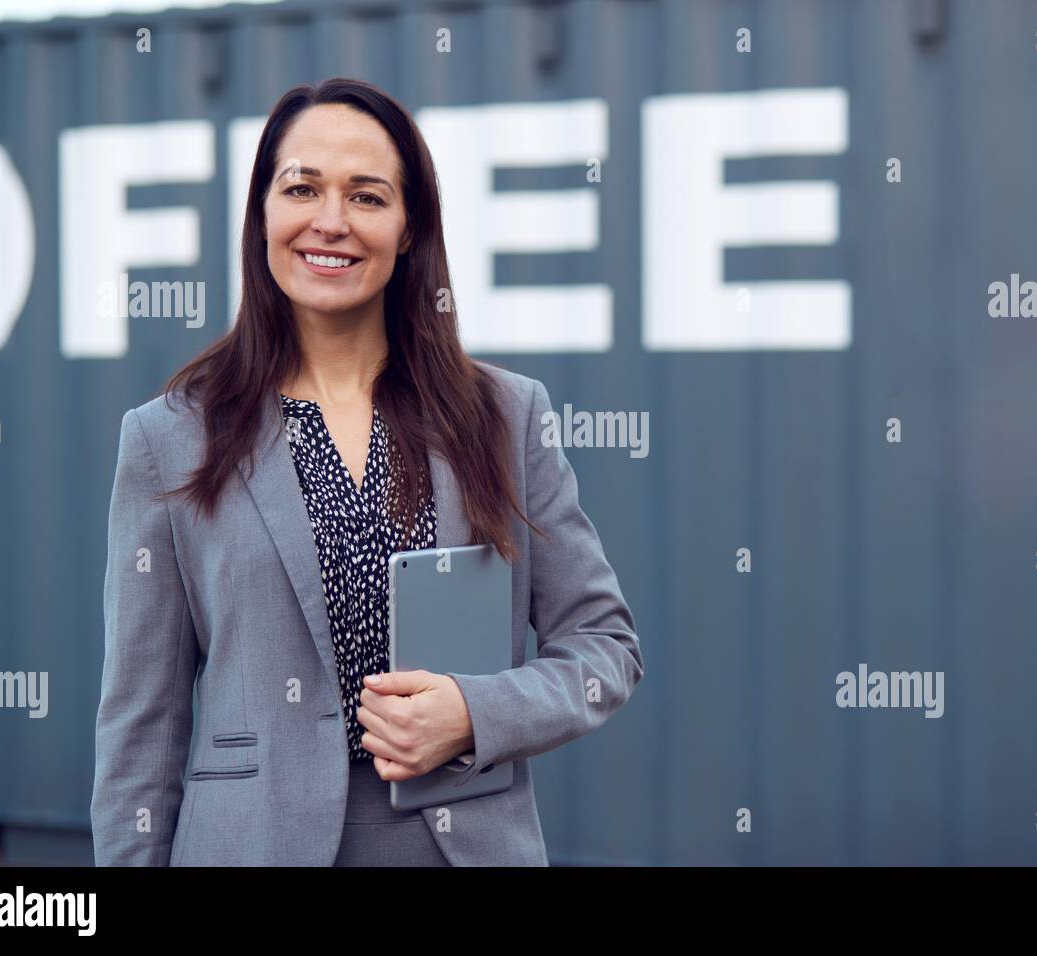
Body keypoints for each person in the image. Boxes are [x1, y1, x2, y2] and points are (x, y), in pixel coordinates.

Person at [90, 77, 644, 866]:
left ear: (410, 225)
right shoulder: (168, 439)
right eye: (302, 188)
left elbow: (604, 646)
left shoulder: (504, 415)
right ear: (262, 214)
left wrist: (474, 711)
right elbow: (140, 723)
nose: (331, 222)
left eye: (368, 196)